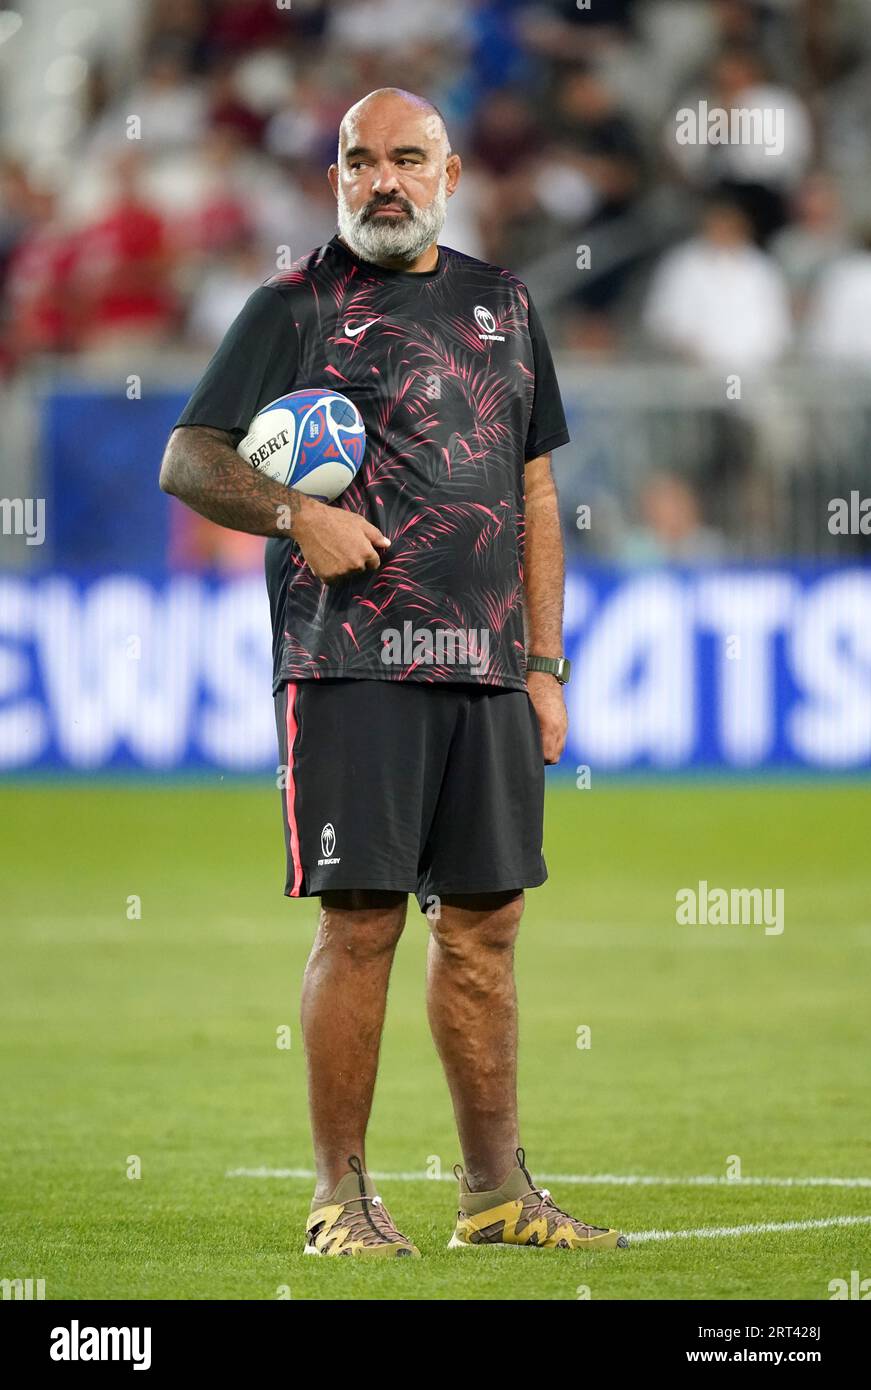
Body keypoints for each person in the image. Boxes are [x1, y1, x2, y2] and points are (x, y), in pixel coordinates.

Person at [160, 87, 626, 1257]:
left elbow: (531, 493)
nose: (382, 180)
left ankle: (493, 1196)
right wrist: (290, 516)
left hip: (485, 670)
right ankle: (341, 1201)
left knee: (485, 926)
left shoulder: (505, 304)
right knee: (361, 922)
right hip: (347, 657)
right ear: (334, 177)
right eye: (359, 161)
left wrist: (545, 663)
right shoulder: (293, 304)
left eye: (406, 159)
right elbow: (187, 455)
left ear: (450, 172)